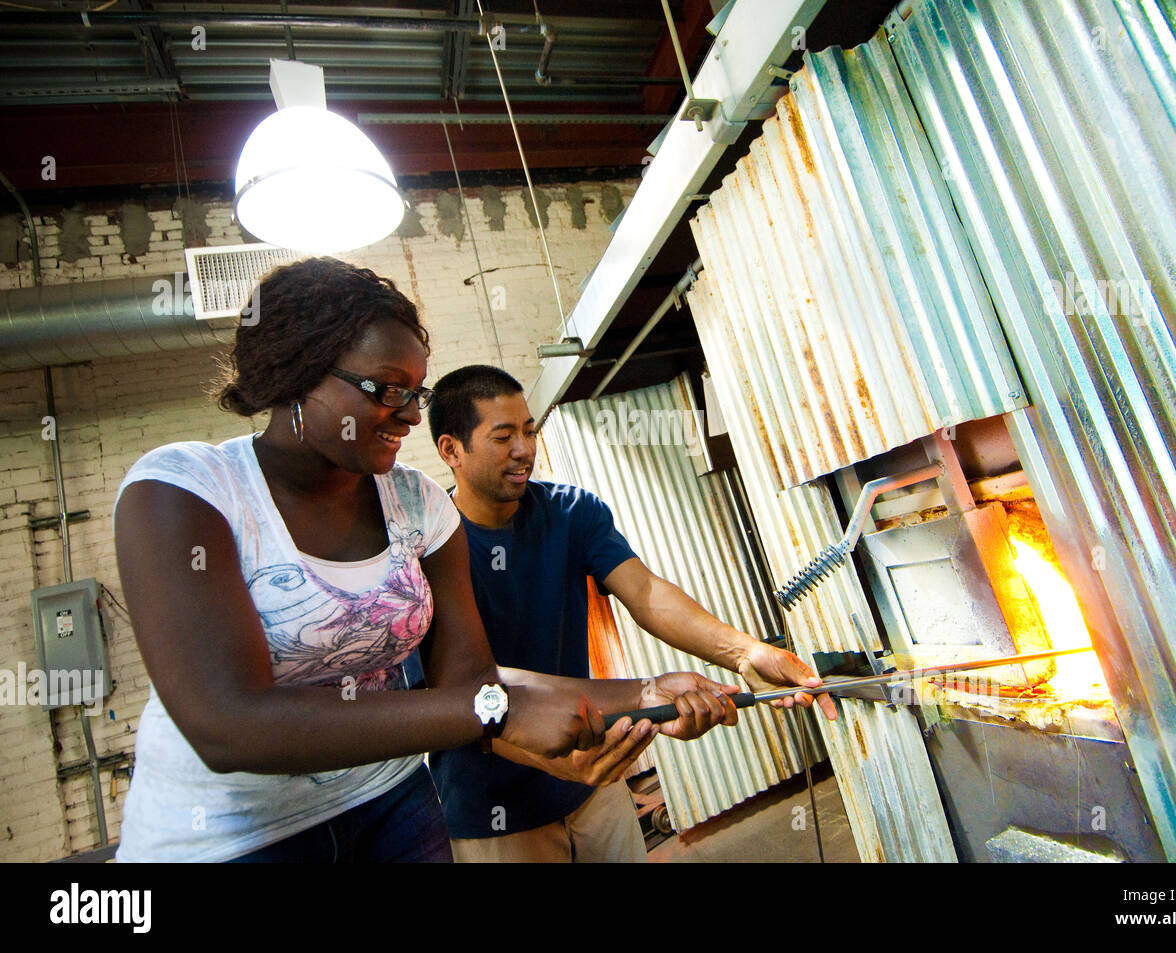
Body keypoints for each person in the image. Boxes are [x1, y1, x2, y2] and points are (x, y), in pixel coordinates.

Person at [111, 258, 733, 862]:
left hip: (394, 803)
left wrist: (645, 691)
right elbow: (229, 724)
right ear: (298, 374)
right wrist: (501, 712)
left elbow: (470, 683)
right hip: (232, 839)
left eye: (417, 392)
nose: (410, 414)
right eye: (388, 389)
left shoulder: (418, 503)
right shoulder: (188, 490)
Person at [425, 365, 837, 863]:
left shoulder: (570, 512)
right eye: (503, 436)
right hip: (494, 810)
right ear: (451, 450)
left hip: (593, 778)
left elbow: (645, 592)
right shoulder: (426, 551)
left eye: (529, 431)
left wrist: (745, 652)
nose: (523, 449)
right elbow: (443, 698)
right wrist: (549, 758)